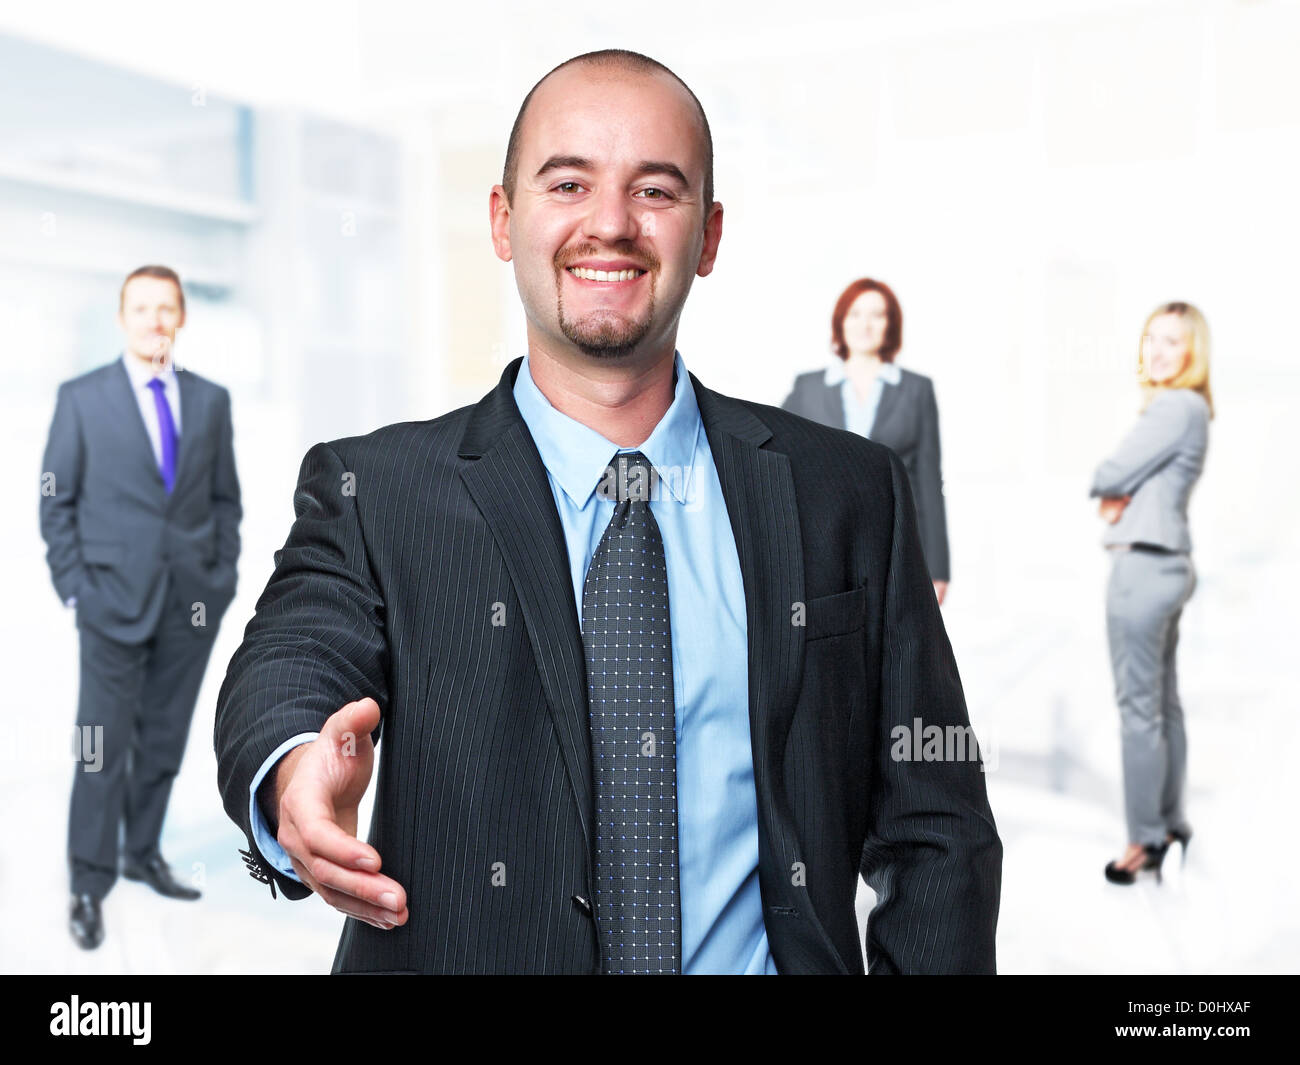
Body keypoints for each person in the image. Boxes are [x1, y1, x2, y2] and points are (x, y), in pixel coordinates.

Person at [214, 49, 1001, 974]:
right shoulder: (376, 490)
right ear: (505, 221)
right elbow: (294, 652)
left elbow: (936, 826)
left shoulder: (847, 492)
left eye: (656, 191)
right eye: (569, 182)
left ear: (707, 238)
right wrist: (297, 767)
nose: (610, 225)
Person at [40, 264, 242, 949]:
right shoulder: (82, 398)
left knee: (162, 739)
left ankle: (142, 850)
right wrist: (75, 586)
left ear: (181, 317)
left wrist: (219, 582)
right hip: (109, 603)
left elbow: (224, 501)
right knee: (99, 748)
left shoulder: (210, 402)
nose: (155, 319)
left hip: (188, 606)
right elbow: (54, 499)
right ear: (123, 318)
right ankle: (88, 883)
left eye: (167, 308)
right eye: (142, 308)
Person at [1089, 301, 1213, 885]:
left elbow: (1110, 471)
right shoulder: (1190, 409)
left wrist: (1115, 492)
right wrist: (1123, 495)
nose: (1158, 351)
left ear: (1194, 353)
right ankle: (1170, 822)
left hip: (1145, 570)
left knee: (1140, 709)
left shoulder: (1174, 406)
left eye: (1173, 341)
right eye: (1151, 339)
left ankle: (1143, 842)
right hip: (1169, 564)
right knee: (1163, 704)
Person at [781, 279, 951, 604]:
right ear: (841, 321)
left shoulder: (916, 390)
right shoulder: (809, 388)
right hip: (823, 544)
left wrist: (939, 567)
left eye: (877, 315)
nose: (865, 325)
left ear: (891, 325)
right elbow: (772, 454)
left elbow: (930, 481)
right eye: (856, 314)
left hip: (897, 543)